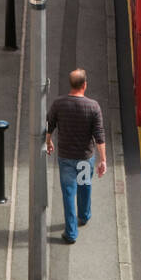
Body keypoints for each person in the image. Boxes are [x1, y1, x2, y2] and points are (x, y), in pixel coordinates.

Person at [46, 68, 106, 244]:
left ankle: (71, 233)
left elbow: (50, 124)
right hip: (85, 158)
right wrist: (103, 159)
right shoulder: (93, 106)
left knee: (68, 193)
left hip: (65, 157)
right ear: (85, 85)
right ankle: (84, 215)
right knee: (84, 186)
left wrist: (48, 141)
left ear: (71, 84)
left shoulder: (59, 103)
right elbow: (99, 135)